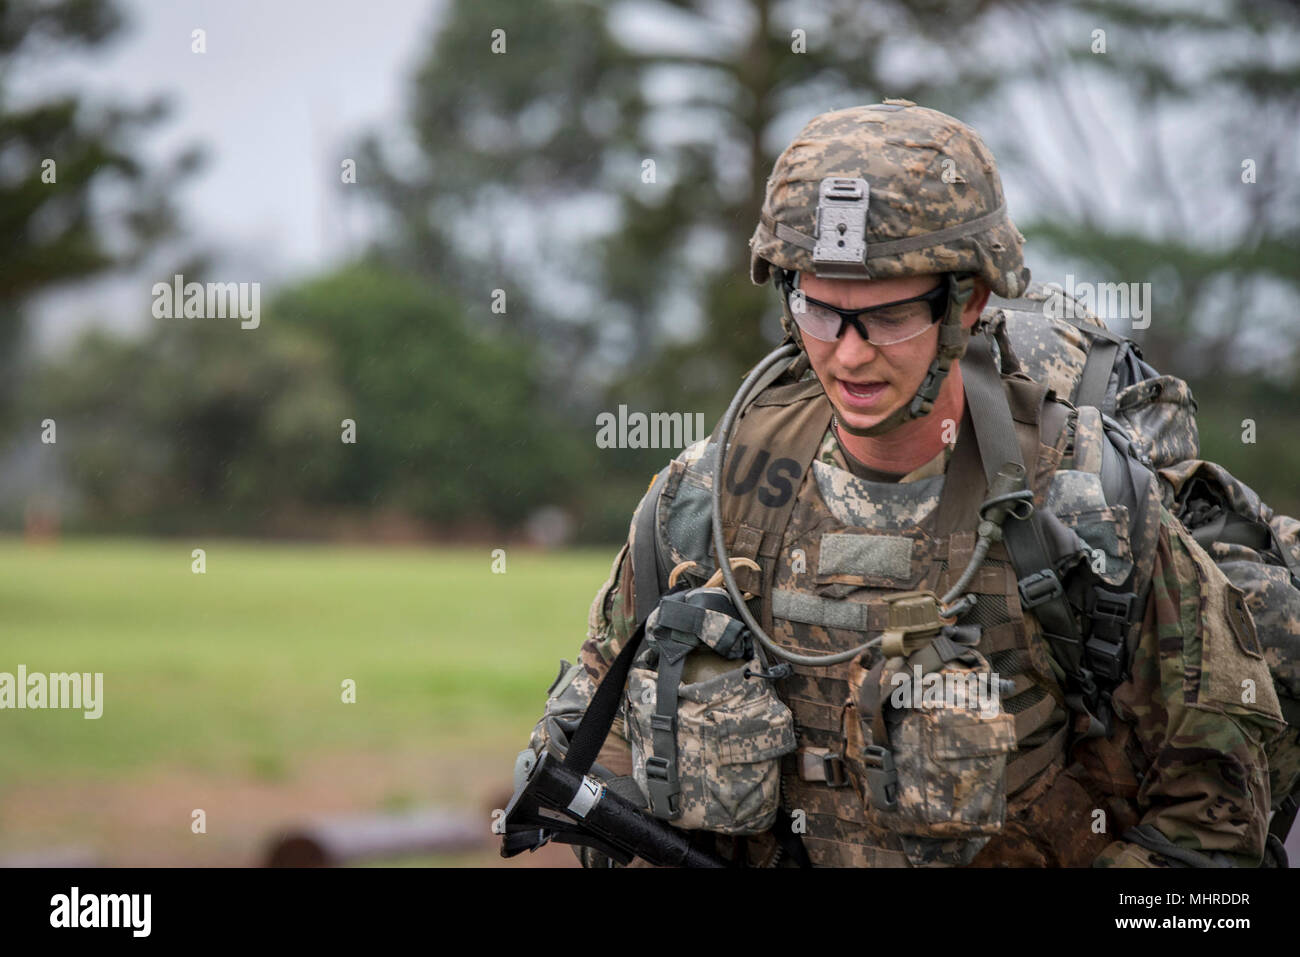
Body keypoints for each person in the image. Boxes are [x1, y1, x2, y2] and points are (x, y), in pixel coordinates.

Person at [523, 100, 1285, 867]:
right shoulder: (707, 502)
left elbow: (1212, 824)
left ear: (969, 303)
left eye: (887, 319)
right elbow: (601, 748)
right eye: (820, 311)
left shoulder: (1086, 505)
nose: (848, 356)